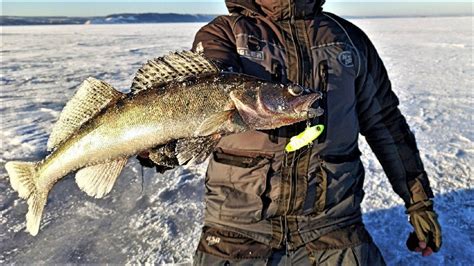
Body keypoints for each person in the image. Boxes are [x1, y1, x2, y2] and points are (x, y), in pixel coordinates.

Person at [141, 0, 442, 264]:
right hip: (237, 226)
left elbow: (386, 124)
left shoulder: (349, 40)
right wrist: (167, 143)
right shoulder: (225, 33)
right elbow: (204, 89)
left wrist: (419, 201)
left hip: (334, 223)